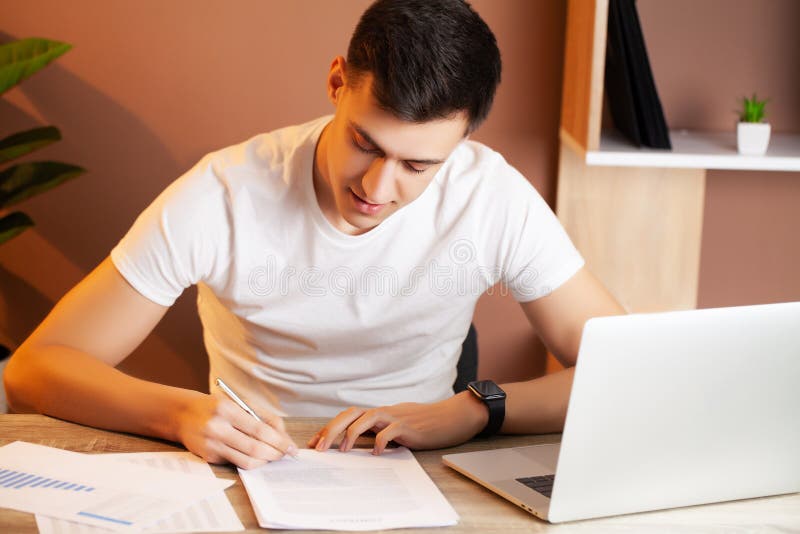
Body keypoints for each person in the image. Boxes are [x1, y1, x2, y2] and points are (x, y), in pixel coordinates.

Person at [4, 0, 623, 469]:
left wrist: (472, 409)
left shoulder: (492, 195)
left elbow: (620, 371)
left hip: (422, 469)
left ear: (462, 143)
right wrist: (182, 413)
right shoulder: (223, 191)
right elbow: (36, 367)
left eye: (418, 166)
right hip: (253, 462)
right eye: (365, 143)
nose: (377, 190)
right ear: (336, 83)